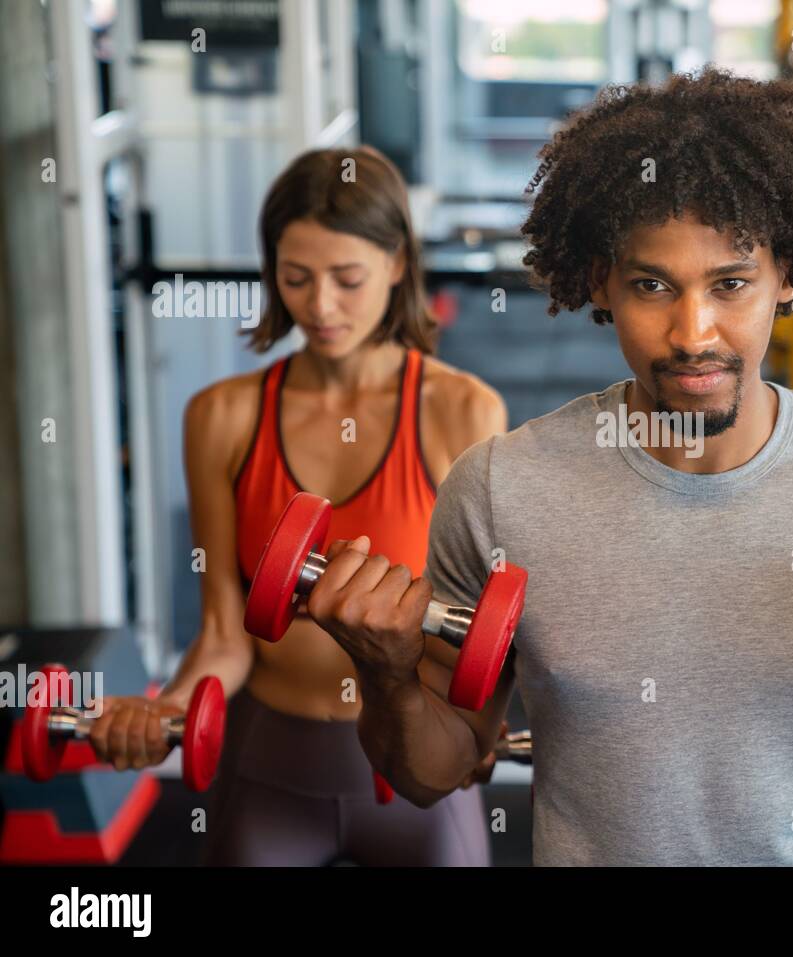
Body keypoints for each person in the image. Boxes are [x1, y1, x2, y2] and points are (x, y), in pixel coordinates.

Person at [304, 69, 793, 865]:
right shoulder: (500, 491)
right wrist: (387, 676)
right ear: (600, 283)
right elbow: (433, 769)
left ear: (786, 276)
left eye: (730, 284)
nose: (694, 332)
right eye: (653, 285)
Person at [87, 147, 507, 866]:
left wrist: (474, 734)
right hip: (271, 761)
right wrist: (166, 710)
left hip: (414, 771)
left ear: (398, 264)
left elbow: (480, 638)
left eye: (347, 279)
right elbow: (224, 631)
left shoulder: (462, 412)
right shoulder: (221, 416)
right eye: (295, 278)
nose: (319, 306)